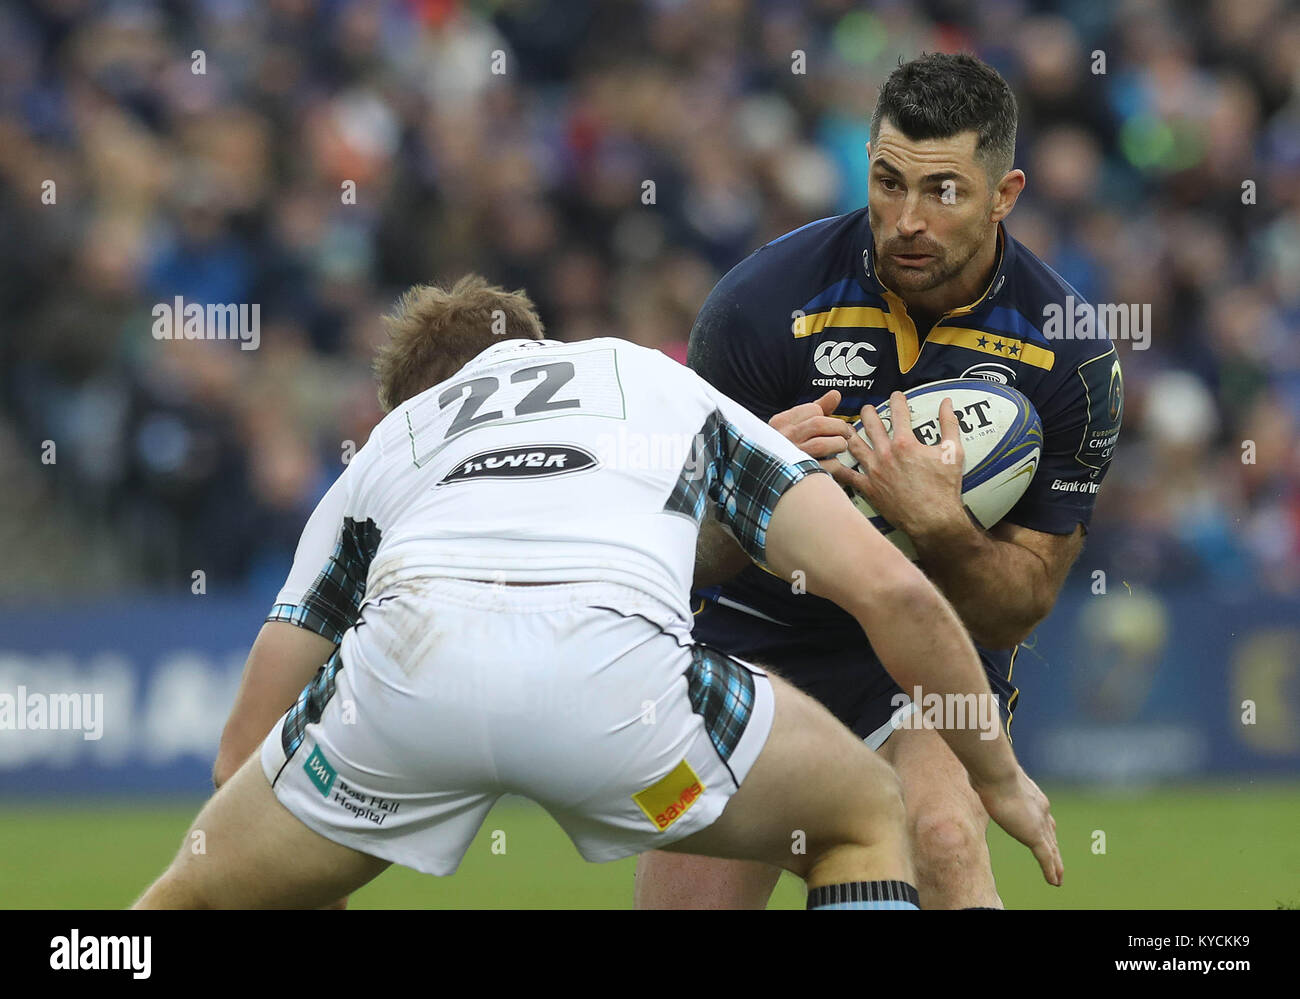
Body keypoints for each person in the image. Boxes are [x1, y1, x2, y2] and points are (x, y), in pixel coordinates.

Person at [135, 275, 1061, 910]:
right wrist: (999, 777)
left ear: (413, 399)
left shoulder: (390, 446)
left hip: (406, 685)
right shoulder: (643, 377)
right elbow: (896, 592)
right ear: (543, 353)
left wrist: (304, 859)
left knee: (188, 893)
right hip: (622, 699)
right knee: (864, 814)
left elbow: (241, 748)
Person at [636, 52, 1121, 910]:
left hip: (937, 650)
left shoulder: (1069, 353)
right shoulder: (755, 306)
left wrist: (941, 528)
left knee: (940, 837)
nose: (907, 219)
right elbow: (676, 556)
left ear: (1005, 195)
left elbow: (1018, 606)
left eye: (944, 193)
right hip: (755, 635)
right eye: (888, 182)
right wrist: (754, 489)